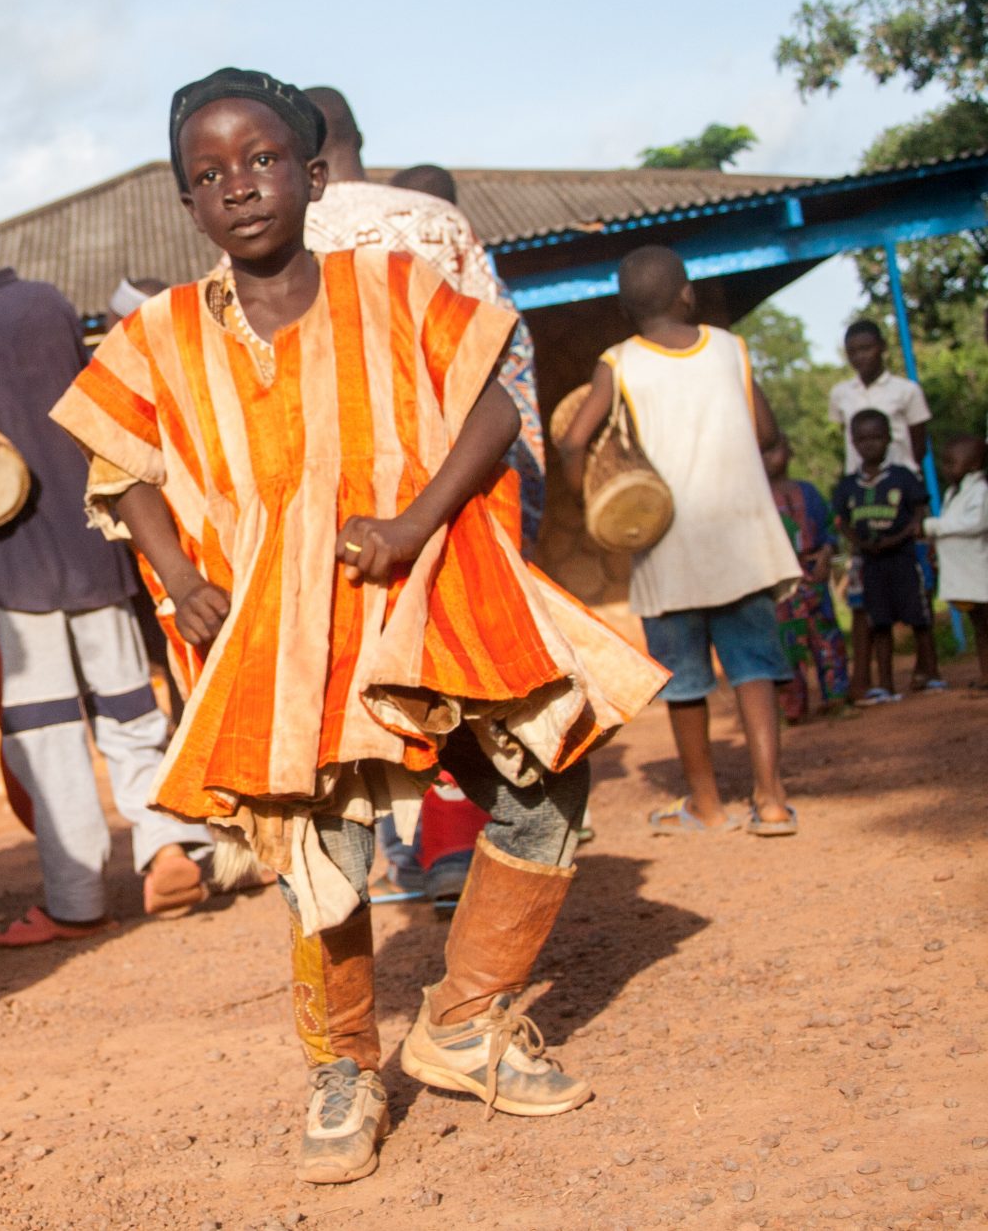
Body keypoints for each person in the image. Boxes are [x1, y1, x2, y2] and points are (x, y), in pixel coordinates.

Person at [52, 68, 667, 1185]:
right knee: (317, 857)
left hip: (424, 598)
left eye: (260, 159)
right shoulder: (165, 331)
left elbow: (492, 400)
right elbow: (118, 454)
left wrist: (411, 519)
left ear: (312, 172)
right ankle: (340, 1071)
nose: (236, 184)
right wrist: (175, 569)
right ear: (189, 204)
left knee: (547, 780)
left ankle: (465, 1021)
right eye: (207, 173)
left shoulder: (389, 285)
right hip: (279, 639)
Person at [0, 175, 214, 945]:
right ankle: (167, 847)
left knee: (47, 731)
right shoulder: (51, 304)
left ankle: (77, 899)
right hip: (95, 536)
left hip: (11, 561)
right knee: (130, 707)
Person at [559, 246, 800, 838]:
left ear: (623, 308)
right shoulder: (729, 350)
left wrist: (597, 502)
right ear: (686, 294)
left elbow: (574, 442)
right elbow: (771, 440)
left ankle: (706, 805)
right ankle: (770, 800)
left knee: (687, 685)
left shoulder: (617, 363)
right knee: (754, 673)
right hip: (745, 544)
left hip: (667, 550)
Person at [302, 89, 544, 546]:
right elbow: (502, 351)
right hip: (461, 472)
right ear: (360, 138)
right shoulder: (440, 219)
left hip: (343, 486)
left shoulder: (285, 236)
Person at [834, 411, 939, 702]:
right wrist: (860, 543)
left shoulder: (903, 477)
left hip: (904, 558)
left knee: (919, 617)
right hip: (871, 563)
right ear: (853, 442)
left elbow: (918, 509)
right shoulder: (848, 485)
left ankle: (931, 673)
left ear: (889, 439)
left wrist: (899, 536)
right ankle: (886, 684)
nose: (870, 444)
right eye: (863, 439)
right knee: (878, 623)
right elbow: (842, 521)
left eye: (876, 437)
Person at [766, 436, 852, 721]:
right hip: (780, 585)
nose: (767, 458)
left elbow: (829, 528)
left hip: (815, 577)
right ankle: (793, 708)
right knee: (787, 646)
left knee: (826, 638)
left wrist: (827, 554)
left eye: (773, 448)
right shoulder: (759, 499)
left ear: (789, 450)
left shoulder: (809, 492)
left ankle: (837, 697)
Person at [924, 434, 988, 687]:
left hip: (980, 572)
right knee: (980, 627)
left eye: (952, 463)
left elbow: (975, 523)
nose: (946, 468)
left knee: (985, 624)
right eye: (945, 462)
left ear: (973, 465)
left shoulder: (981, 490)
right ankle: (985, 674)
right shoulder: (953, 492)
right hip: (966, 575)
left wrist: (932, 527)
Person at [828, 320, 930, 476]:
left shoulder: (907, 390)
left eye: (866, 349)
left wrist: (904, 476)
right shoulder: (840, 393)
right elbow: (848, 438)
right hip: (860, 482)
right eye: (852, 352)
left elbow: (919, 444)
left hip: (900, 481)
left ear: (882, 346)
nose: (860, 357)